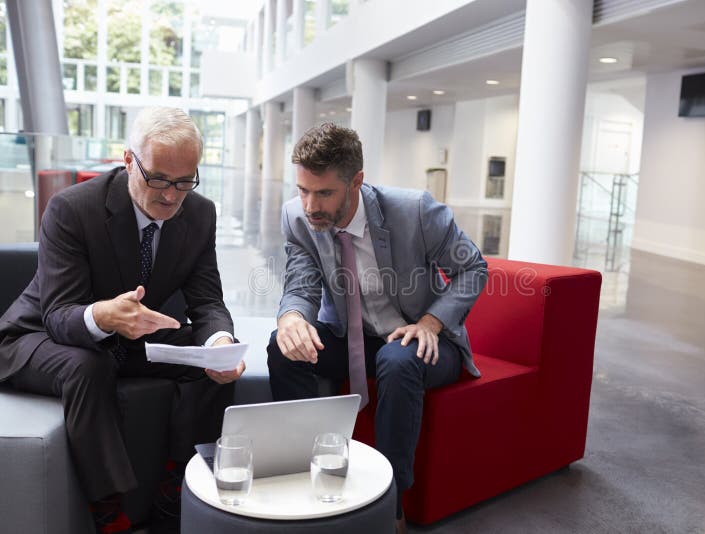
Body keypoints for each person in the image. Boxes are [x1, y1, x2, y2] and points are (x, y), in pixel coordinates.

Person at [0, 107, 245, 534]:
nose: (171, 196)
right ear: (129, 160)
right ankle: (110, 512)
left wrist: (220, 343)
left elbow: (207, 302)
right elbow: (58, 316)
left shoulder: (200, 214)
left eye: (185, 181)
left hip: (128, 337)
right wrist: (103, 315)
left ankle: (177, 488)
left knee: (210, 362)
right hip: (37, 335)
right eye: (159, 179)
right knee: (86, 365)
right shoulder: (72, 209)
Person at [267, 123, 487, 533]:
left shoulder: (415, 210)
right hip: (353, 338)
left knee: (399, 359)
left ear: (356, 182)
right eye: (302, 190)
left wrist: (431, 321)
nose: (310, 205)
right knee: (283, 347)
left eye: (324, 193)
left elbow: (473, 267)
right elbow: (300, 282)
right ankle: (301, 479)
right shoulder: (297, 217)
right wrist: (292, 318)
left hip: (422, 342)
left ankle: (390, 506)